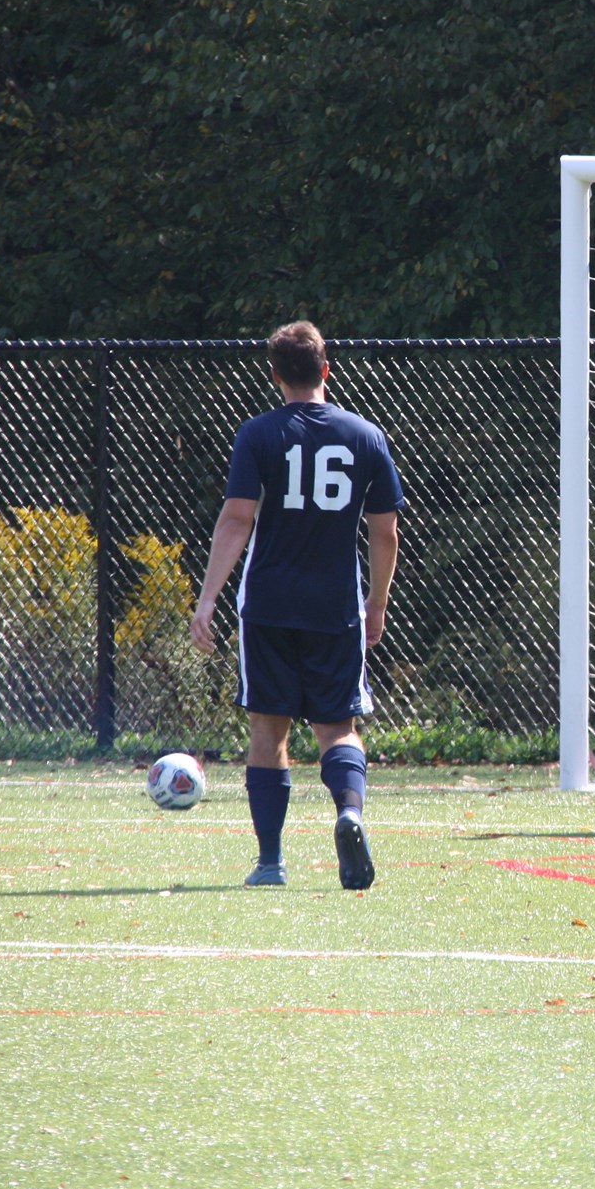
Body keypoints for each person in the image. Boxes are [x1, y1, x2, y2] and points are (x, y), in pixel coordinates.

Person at [190, 322, 403, 890]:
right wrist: (376, 603)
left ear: (277, 374)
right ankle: (350, 813)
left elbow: (237, 519)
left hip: (268, 605)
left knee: (269, 729)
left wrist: (208, 597)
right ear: (326, 369)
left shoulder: (258, 435)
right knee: (337, 726)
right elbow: (385, 533)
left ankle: (270, 862)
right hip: (335, 606)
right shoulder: (366, 437)